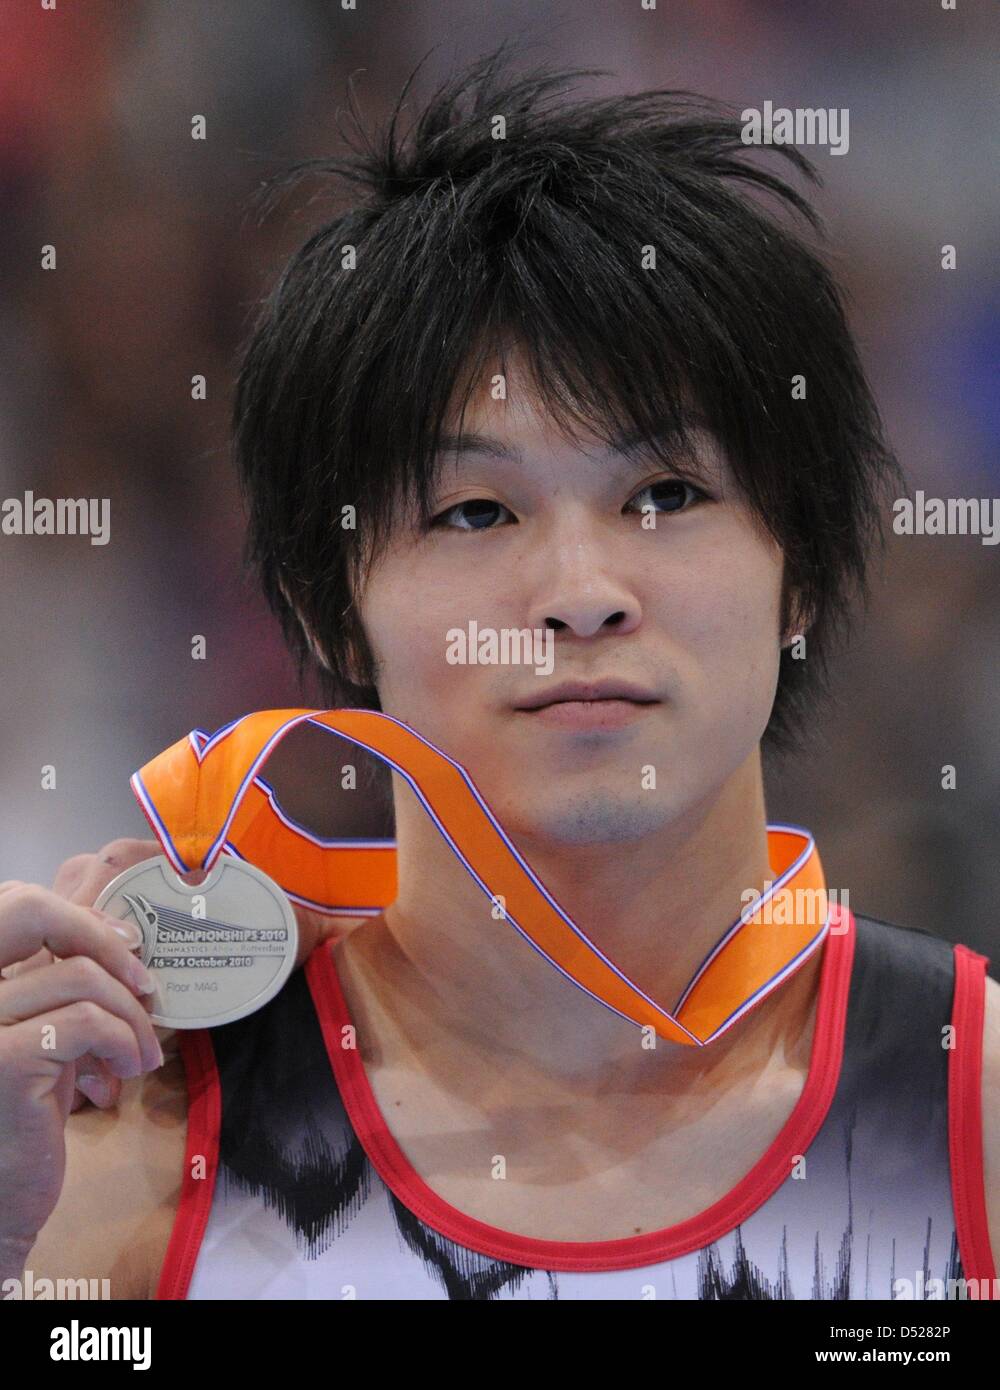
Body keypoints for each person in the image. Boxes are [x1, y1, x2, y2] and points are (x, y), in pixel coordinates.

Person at [2, 44, 997, 1302]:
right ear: (328, 604)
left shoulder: (974, 1104)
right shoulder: (121, 1131)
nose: (583, 593)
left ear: (799, 572)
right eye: (476, 511)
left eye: (666, 492)